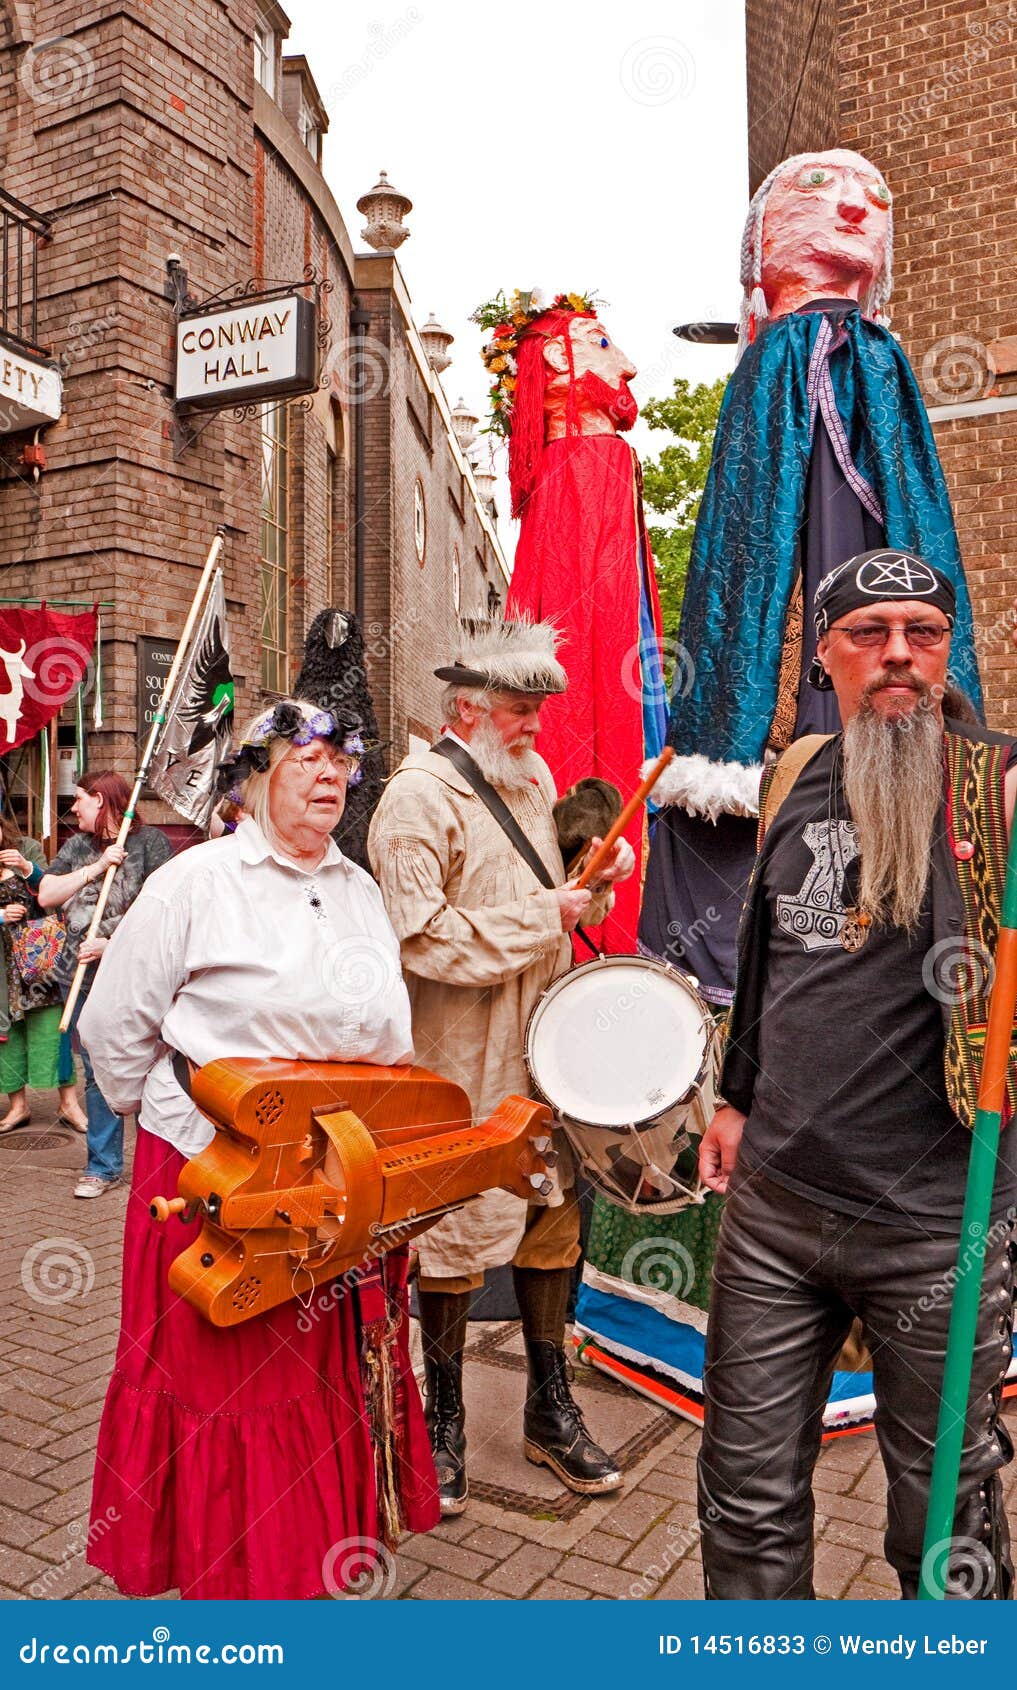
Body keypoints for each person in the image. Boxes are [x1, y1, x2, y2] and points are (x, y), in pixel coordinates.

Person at [696, 550, 1017, 1600]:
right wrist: (736, 1096)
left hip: (939, 1225)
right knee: (745, 1500)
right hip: (776, 1209)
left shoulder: (996, 784)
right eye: (869, 633)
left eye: (922, 633)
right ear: (825, 652)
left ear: (945, 651)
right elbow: (763, 958)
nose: (898, 656)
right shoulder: (794, 774)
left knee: (941, 1523)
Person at [76, 699, 439, 1599]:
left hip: (334, 1179)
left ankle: (309, 1567)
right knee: (229, 1381)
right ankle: (226, 1575)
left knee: (316, 1384)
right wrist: (188, 1126)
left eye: (340, 763)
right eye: (306, 759)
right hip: (210, 1173)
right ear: (258, 776)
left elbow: (386, 1033)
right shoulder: (196, 883)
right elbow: (112, 1027)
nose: (328, 777)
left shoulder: (357, 887)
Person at [368, 620, 635, 1515]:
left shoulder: (532, 775)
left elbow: (546, 889)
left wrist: (592, 873)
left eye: (538, 711)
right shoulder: (414, 797)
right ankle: (439, 1421)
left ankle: (547, 1408)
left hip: (539, 1048)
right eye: (521, 711)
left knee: (551, 1216)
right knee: (450, 1233)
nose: (535, 727)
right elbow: (420, 936)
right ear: (467, 708)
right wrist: (546, 913)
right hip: (458, 1056)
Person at [473, 289, 666, 951]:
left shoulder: (604, 469)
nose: (630, 368)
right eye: (604, 346)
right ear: (555, 360)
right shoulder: (582, 473)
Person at [38, 771, 172, 1197]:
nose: (73, 808)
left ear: (100, 799)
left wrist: (111, 943)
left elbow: (164, 913)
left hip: (132, 979)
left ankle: (158, 1167)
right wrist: (97, 867)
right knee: (96, 1074)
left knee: (152, 1069)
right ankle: (103, 1166)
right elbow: (47, 895)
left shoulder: (151, 844)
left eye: (78, 799)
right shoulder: (78, 847)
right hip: (78, 981)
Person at [0, 805, 86, 1135]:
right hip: (2, 966)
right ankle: (18, 1106)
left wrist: (25, 868)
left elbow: (51, 895)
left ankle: (68, 1104)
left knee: (54, 1028)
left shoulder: (27, 848)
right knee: (8, 1034)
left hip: (38, 955)